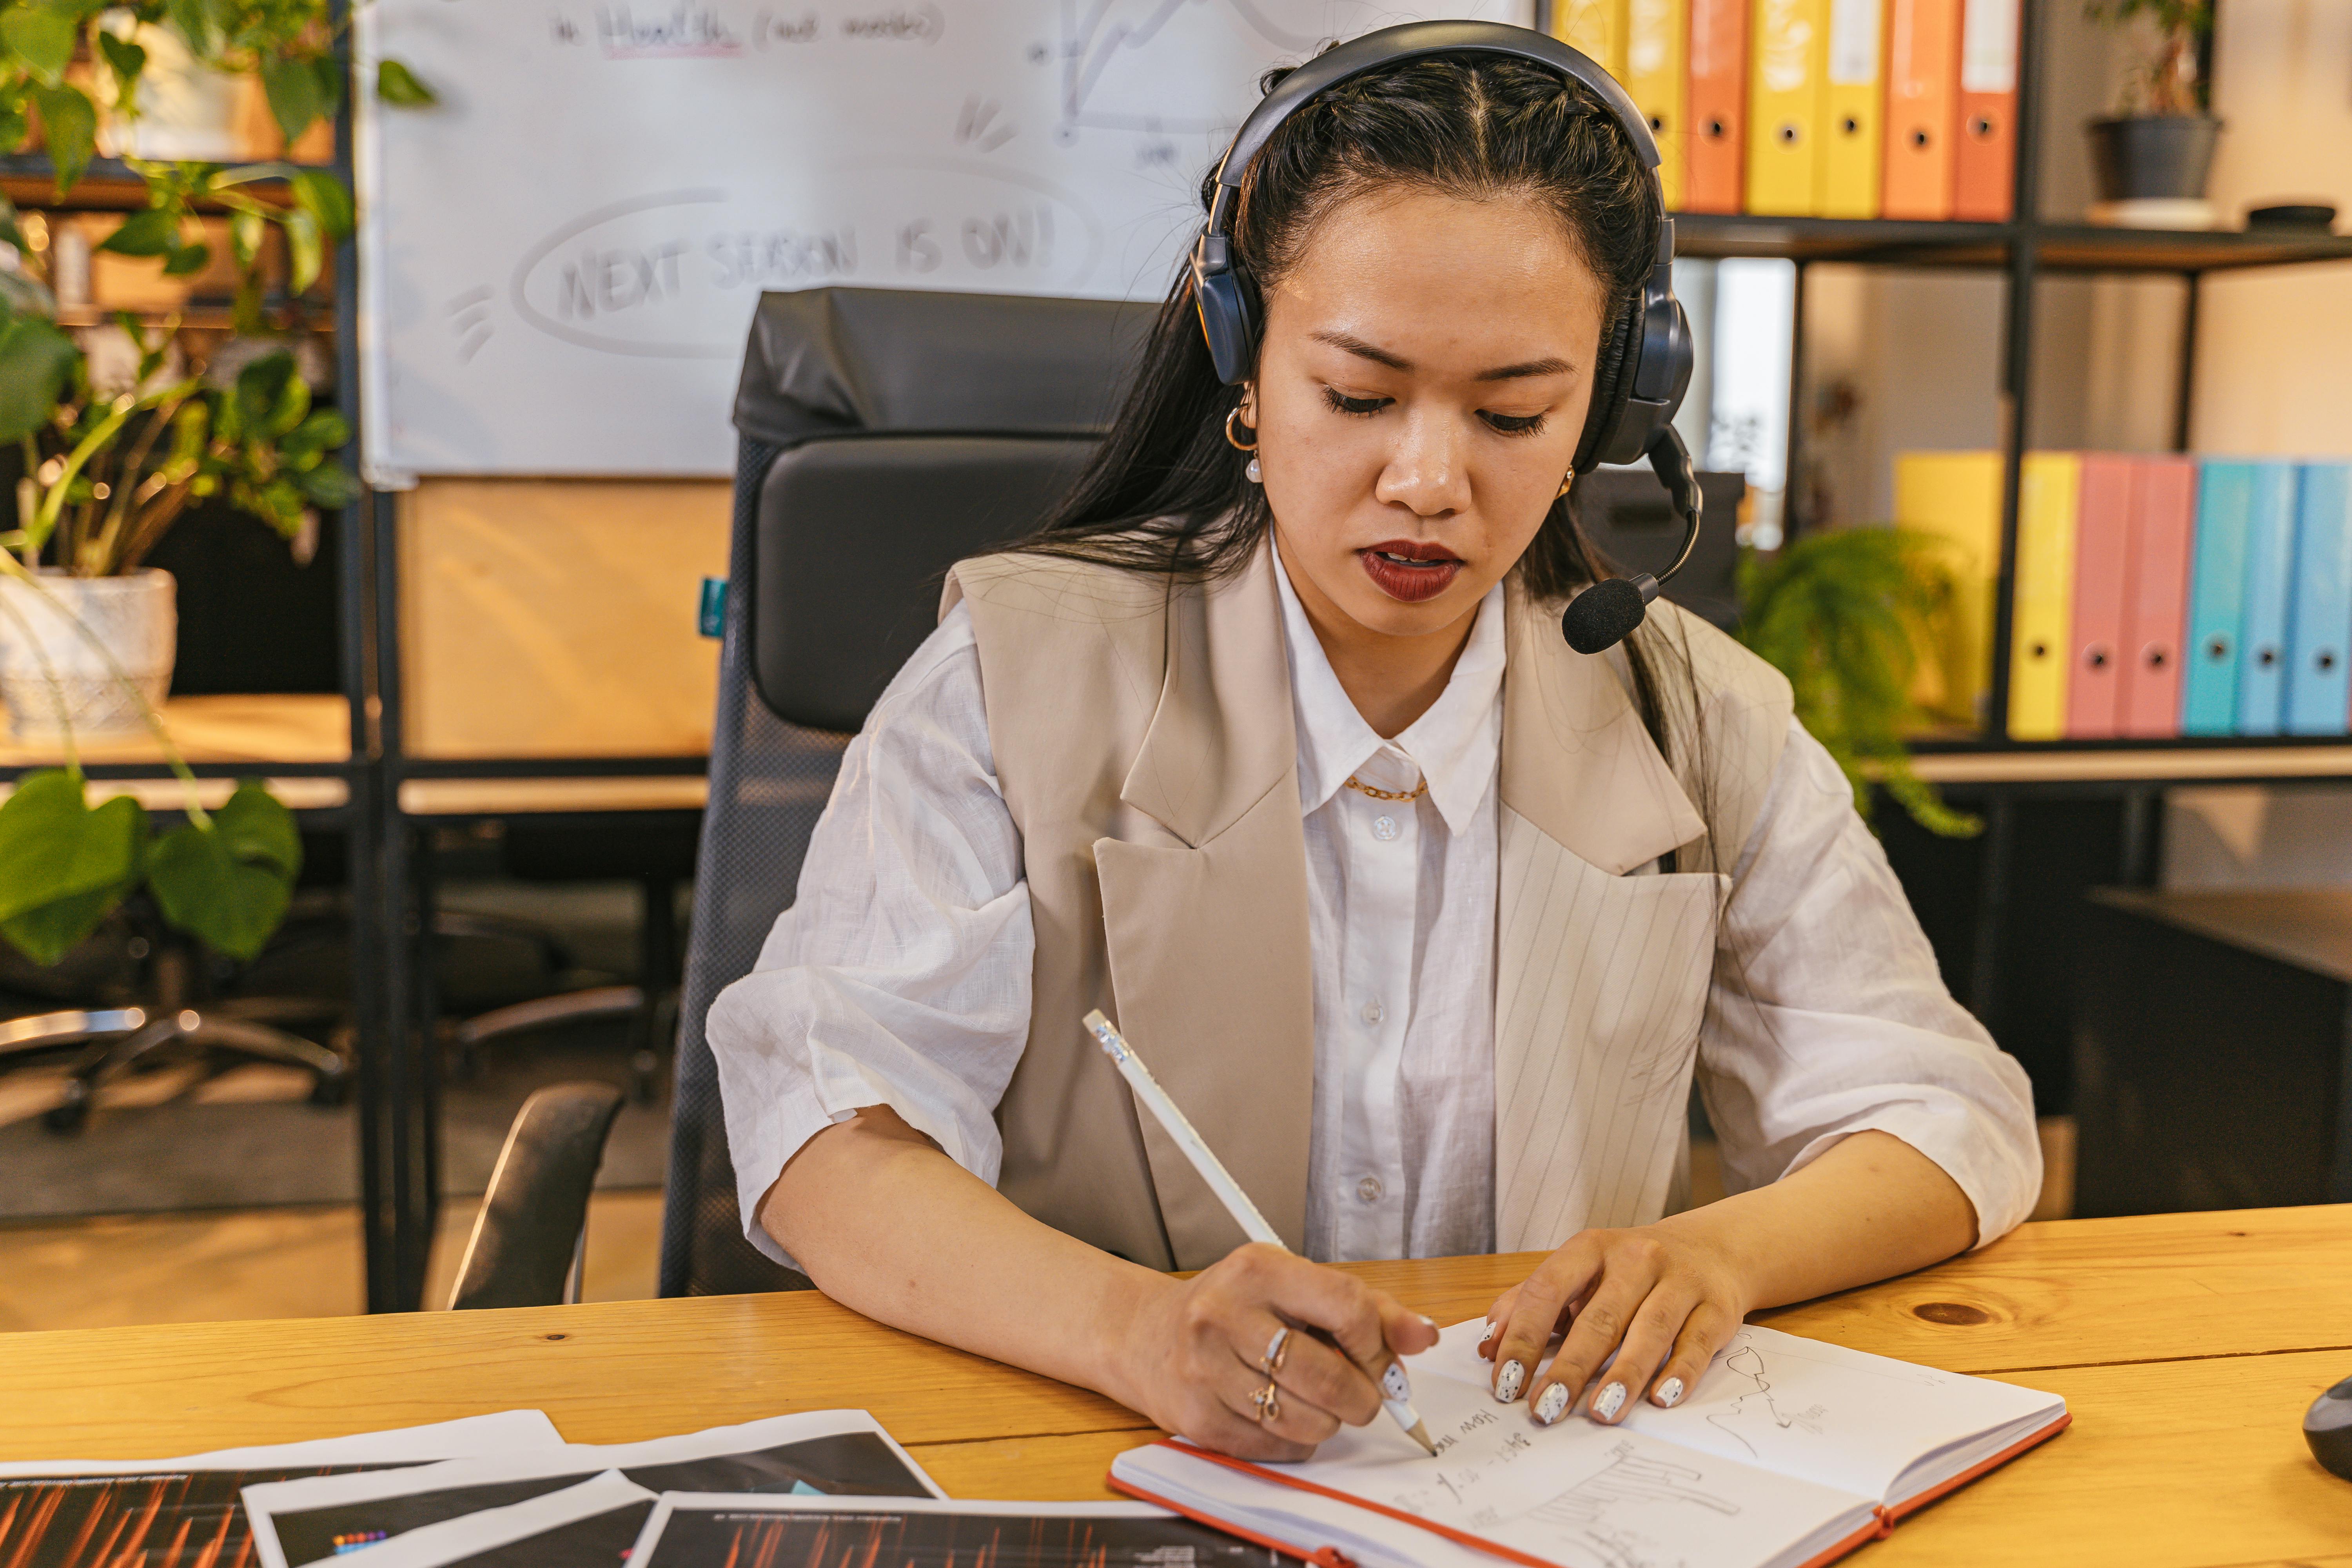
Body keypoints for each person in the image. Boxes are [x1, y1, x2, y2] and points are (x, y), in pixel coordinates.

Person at [708, 33, 2039, 1463]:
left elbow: (1948, 1115)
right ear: (1246, 361)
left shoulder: (1699, 717)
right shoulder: (1011, 676)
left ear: (1615, 404)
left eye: (1515, 414)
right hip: (1086, 1458)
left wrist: (1719, 1257)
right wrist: (1133, 1331)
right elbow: (822, 1127)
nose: (1427, 482)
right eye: (1356, 395)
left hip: (1533, 1493)